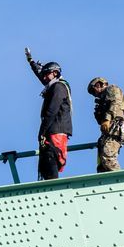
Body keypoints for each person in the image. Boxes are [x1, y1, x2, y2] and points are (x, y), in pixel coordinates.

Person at [24, 47, 72, 180]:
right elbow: (42, 76)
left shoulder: (58, 87)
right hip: (54, 128)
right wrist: (31, 62)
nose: (44, 77)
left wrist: (42, 131)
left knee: (51, 155)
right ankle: (50, 182)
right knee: (47, 156)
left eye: (47, 74)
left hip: (56, 128)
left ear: (55, 73)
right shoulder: (54, 85)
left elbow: (52, 111)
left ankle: (52, 186)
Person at [87, 77, 124, 172]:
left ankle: (121, 180)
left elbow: (116, 102)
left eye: (93, 91)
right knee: (102, 163)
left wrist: (107, 118)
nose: (94, 95)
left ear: (98, 85)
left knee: (108, 159)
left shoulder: (112, 89)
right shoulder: (102, 101)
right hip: (109, 130)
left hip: (115, 126)